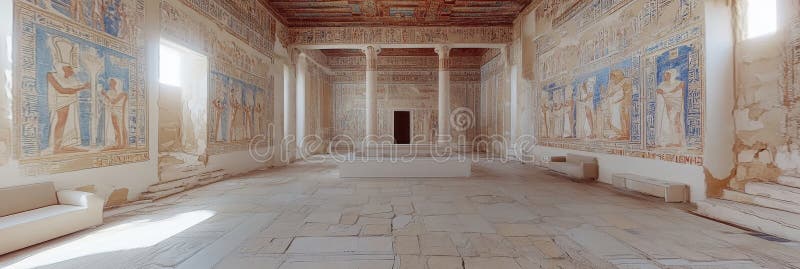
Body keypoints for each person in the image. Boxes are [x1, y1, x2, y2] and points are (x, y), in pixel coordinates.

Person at [47, 63, 90, 153]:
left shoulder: (72, 78)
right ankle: (57, 147)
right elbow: (62, 90)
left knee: (68, 123)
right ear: (62, 68)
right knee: (61, 122)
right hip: (60, 102)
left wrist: (84, 86)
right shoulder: (51, 75)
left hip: (70, 101)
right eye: (69, 67)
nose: (72, 70)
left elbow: (77, 86)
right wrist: (82, 87)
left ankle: (66, 145)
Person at [655, 69, 686, 147]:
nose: (665, 76)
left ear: (672, 75)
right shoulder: (662, 84)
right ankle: (670, 140)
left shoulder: (679, 83)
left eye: (667, 74)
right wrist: (669, 94)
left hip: (676, 105)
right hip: (666, 106)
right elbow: (659, 92)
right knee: (668, 122)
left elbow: (679, 94)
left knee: (676, 122)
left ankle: (678, 141)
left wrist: (667, 94)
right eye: (665, 74)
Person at [101, 78, 128, 150]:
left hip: (119, 112)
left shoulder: (122, 93)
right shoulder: (110, 92)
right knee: (115, 128)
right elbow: (107, 102)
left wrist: (105, 95)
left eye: (113, 83)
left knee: (120, 127)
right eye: (110, 83)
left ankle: (122, 144)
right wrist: (105, 97)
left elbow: (114, 101)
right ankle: (117, 143)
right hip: (113, 111)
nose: (110, 85)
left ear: (117, 84)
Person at [606, 70, 632, 140]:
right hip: (615, 103)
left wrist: (616, 100)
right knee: (615, 118)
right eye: (611, 77)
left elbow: (622, 94)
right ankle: (619, 133)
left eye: (613, 77)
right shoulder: (614, 84)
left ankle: (623, 133)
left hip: (621, 103)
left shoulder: (624, 82)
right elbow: (610, 93)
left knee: (620, 117)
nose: (612, 79)